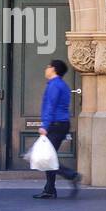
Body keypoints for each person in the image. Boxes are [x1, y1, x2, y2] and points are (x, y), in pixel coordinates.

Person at [35, 59, 81, 199]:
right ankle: (49, 189)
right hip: (61, 123)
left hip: (55, 124)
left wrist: (45, 125)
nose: (46, 69)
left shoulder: (54, 86)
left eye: (48, 67)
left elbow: (51, 106)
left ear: (53, 69)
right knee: (49, 157)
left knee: (47, 157)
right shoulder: (63, 85)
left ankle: (71, 175)